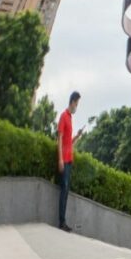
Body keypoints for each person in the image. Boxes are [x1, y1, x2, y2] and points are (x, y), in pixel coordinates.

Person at [55, 91, 80, 231]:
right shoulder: (63, 116)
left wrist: (77, 136)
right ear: (72, 101)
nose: (77, 106)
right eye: (77, 104)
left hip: (69, 160)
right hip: (64, 160)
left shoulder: (70, 118)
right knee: (64, 189)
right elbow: (59, 140)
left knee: (66, 190)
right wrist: (60, 159)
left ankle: (63, 221)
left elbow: (68, 143)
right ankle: (61, 222)